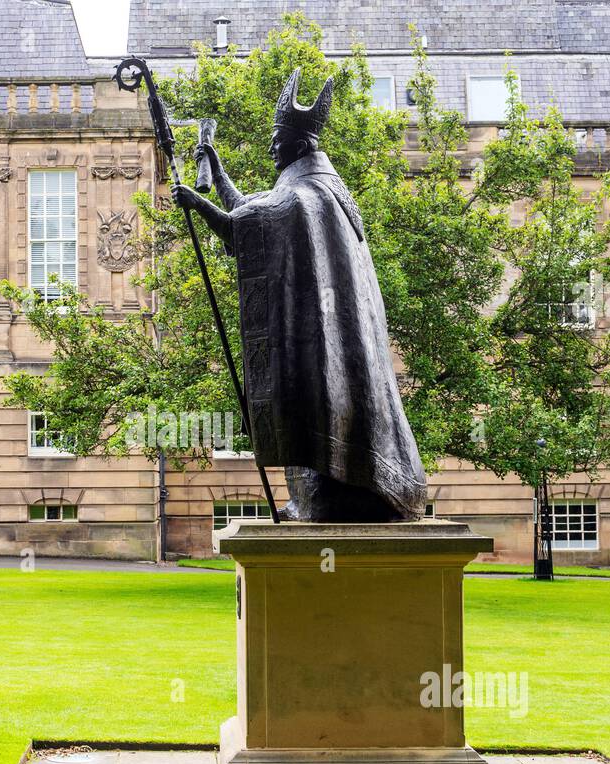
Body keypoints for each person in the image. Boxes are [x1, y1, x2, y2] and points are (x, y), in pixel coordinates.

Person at [173, 69, 427, 522]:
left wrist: (200, 204)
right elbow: (259, 210)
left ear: (301, 146)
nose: (272, 148)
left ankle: (333, 495)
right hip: (325, 338)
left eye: (277, 141)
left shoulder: (310, 194)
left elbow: (251, 222)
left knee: (318, 401)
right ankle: (319, 496)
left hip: (325, 342)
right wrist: (218, 168)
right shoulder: (314, 188)